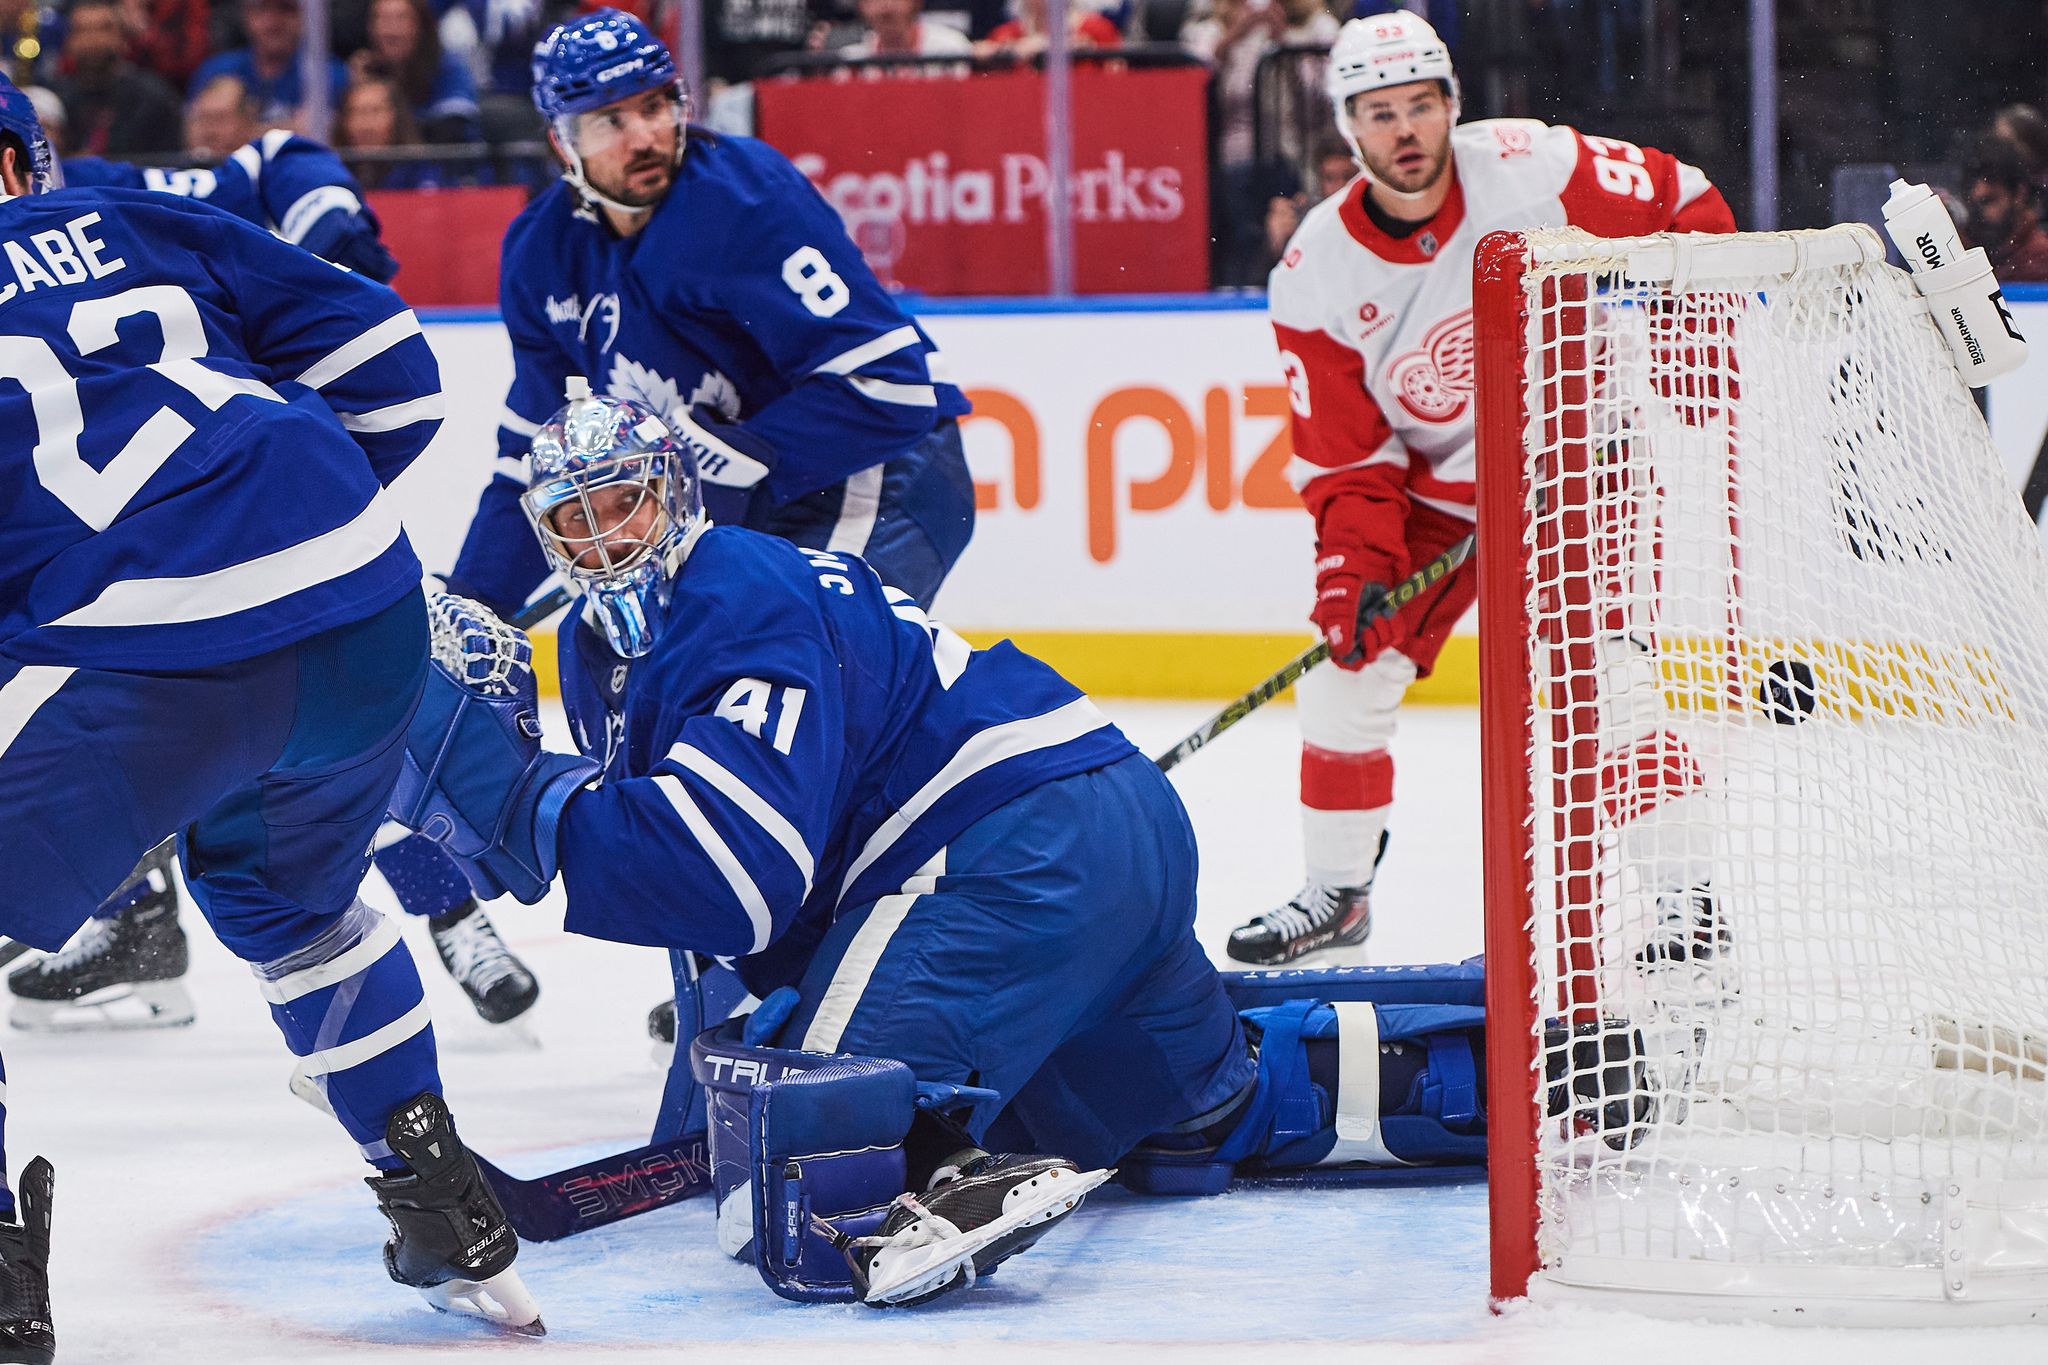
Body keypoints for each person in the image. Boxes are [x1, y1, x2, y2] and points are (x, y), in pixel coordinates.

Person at [387, 383, 1501, 1305]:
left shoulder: (733, 592)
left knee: (807, 1179)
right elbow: (711, 906)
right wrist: (698, 1094)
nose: (602, 538)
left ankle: (941, 1177)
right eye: (571, 519)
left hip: (1006, 856)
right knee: (1181, 1116)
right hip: (1086, 832)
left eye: (621, 502)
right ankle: (1486, 1068)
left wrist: (519, 794)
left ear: (674, 494)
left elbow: (733, 885)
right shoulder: (605, 647)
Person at [0, 74, 539, 1345]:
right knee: (288, 909)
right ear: (30, 163)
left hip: (154, 662)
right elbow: (400, 384)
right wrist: (277, 524)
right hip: (363, 609)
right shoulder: (137, 221)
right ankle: (439, 1200)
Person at [372, 8, 977, 1006]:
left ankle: (822, 956)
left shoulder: (744, 204)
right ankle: (757, 950)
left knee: (798, 703)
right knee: (670, 696)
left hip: (880, 482)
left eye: (656, 106)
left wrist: (728, 456)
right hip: (756, 512)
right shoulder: (540, 256)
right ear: (562, 140)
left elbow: (892, 391)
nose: (645, 134)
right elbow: (537, 459)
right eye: (611, 120)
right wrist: (469, 610)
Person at [1235, 11, 1735, 966]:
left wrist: (1688, 352)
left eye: (1422, 105)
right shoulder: (1313, 271)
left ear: (1453, 105)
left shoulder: (1532, 169)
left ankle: (1690, 905)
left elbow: (1688, 201)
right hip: (1432, 501)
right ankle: (1338, 893)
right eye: (1381, 113)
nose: (1406, 131)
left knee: (1611, 684)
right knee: (1345, 684)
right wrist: (1354, 570)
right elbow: (1348, 458)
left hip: (1575, 463)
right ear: (1348, 129)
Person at [44, 0, 182, 156]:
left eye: (104, 29)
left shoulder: (154, 99)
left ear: (123, 38)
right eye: (81, 30)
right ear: (68, 41)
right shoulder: (53, 98)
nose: (93, 39)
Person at [187, 0, 350, 126]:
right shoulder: (216, 71)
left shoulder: (327, 73)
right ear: (247, 16)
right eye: (262, 10)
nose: (272, 22)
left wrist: (241, 129)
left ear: (304, 16)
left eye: (286, 10)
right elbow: (198, 134)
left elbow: (324, 136)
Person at [349, 0, 481, 143]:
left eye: (401, 18)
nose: (390, 30)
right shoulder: (367, 73)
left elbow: (452, 132)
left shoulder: (448, 69)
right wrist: (360, 88)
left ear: (420, 25)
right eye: (381, 19)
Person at [1962, 133, 2048, 283]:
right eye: (1972, 202)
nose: (1979, 213)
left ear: (2018, 195)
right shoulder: (1960, 251)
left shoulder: (2039, 259)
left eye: (1989, 200)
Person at [837, 0, 973, 55]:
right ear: (861, 6)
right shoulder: (851, 60)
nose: (886, 7)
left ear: (916, 3)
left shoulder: (952, 48)